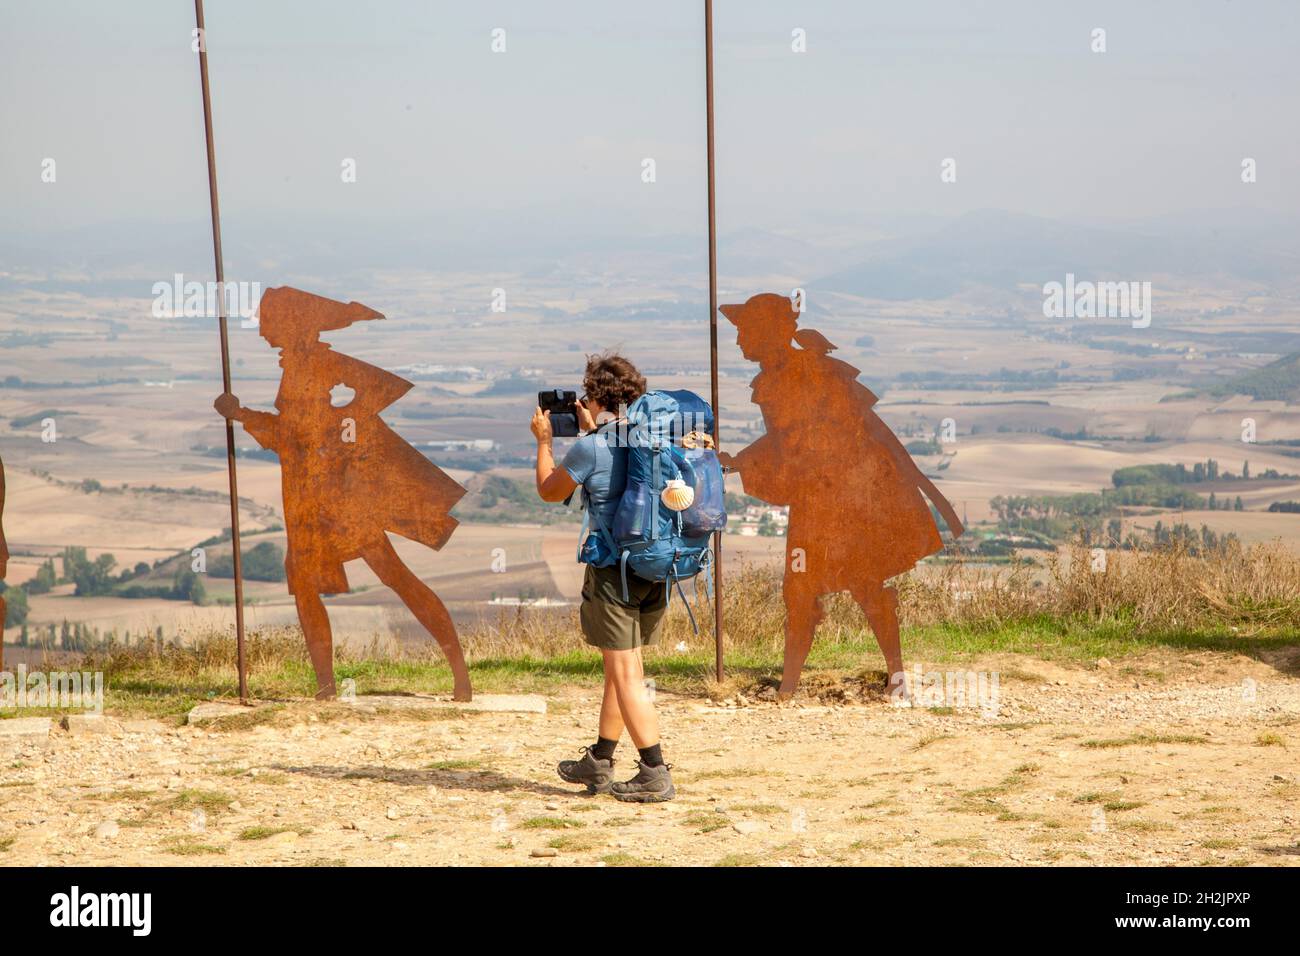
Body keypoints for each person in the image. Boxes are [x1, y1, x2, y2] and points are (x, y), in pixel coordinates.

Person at [214, 286, 472, 701]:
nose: (263, 333)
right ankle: (326, 687)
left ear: (292, 322)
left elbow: (379, 389)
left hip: (335, 495)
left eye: (268, 322)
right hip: (307, 494)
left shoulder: (321, 362)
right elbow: (292, 433)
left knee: (394, 576)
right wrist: (243, 414)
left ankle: (457, 676)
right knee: (311, 581)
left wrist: (341, 426)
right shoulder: (298, 366)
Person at [717, 293, 964, 699]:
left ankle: (892, 678)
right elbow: (786, 442)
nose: (740, 339)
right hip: (815, 497)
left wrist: (919, 481)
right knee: (800, 588)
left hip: (848, 495)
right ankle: (790, 686)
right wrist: (740, 460)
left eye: (746, 330)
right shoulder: (773, 380)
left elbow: (869, 427)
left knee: (862, 583)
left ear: (768, 332)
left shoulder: (817, 371)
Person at [530, 353, 675, 802]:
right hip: (656, 567)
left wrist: (544, 443)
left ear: (592, 395)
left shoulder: (590, 447)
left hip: (614, 572)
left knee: (626, 672)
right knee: (622, 667)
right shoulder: (650, 436)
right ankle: (600, 761)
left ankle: (654, 771)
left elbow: (550, 491)